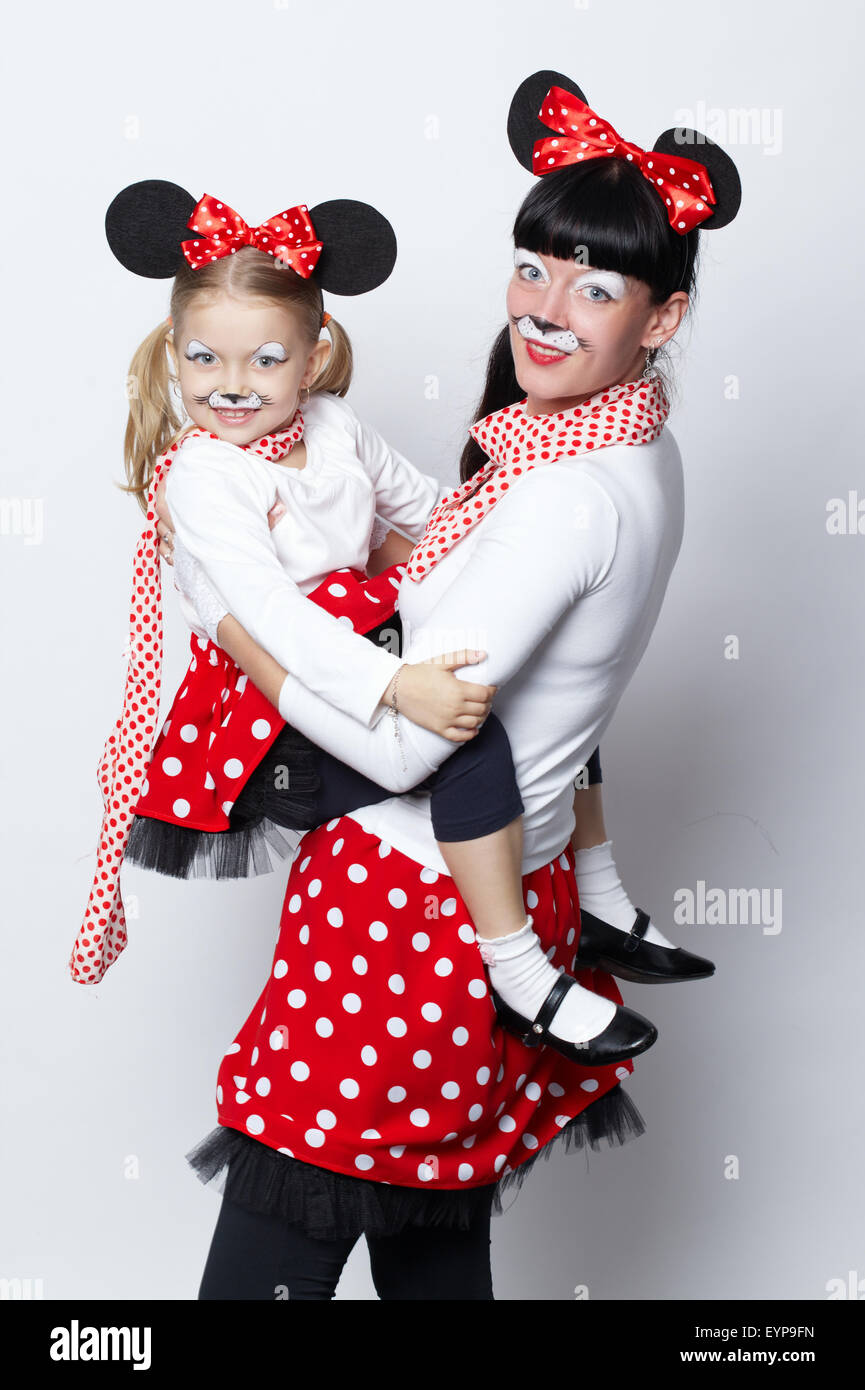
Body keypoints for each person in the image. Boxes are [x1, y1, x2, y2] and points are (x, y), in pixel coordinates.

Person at [160, 70, 742, 1299]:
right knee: (432, 1243)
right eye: (534, 267)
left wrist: (240, 631)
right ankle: (601, 905)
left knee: (280, 1237)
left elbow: (407, 749)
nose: (543, 310)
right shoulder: (630, 444)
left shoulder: (563, 491)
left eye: (595, 287)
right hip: (490, 889)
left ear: (662, 317)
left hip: (404, 904)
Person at [70, 176, 655, 1065]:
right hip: (271, 713)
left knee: (533, 693)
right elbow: (267, 618)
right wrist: (396, 684)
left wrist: (513, 536)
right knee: (472, 747)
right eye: (203, 361)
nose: (231, 387)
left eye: (264, 361)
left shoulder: (334, 427)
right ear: (171, 356)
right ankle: (518, 972)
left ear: (312, 359)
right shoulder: (206, 477)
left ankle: (602, 897)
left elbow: (427, 511)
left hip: (359, 643)